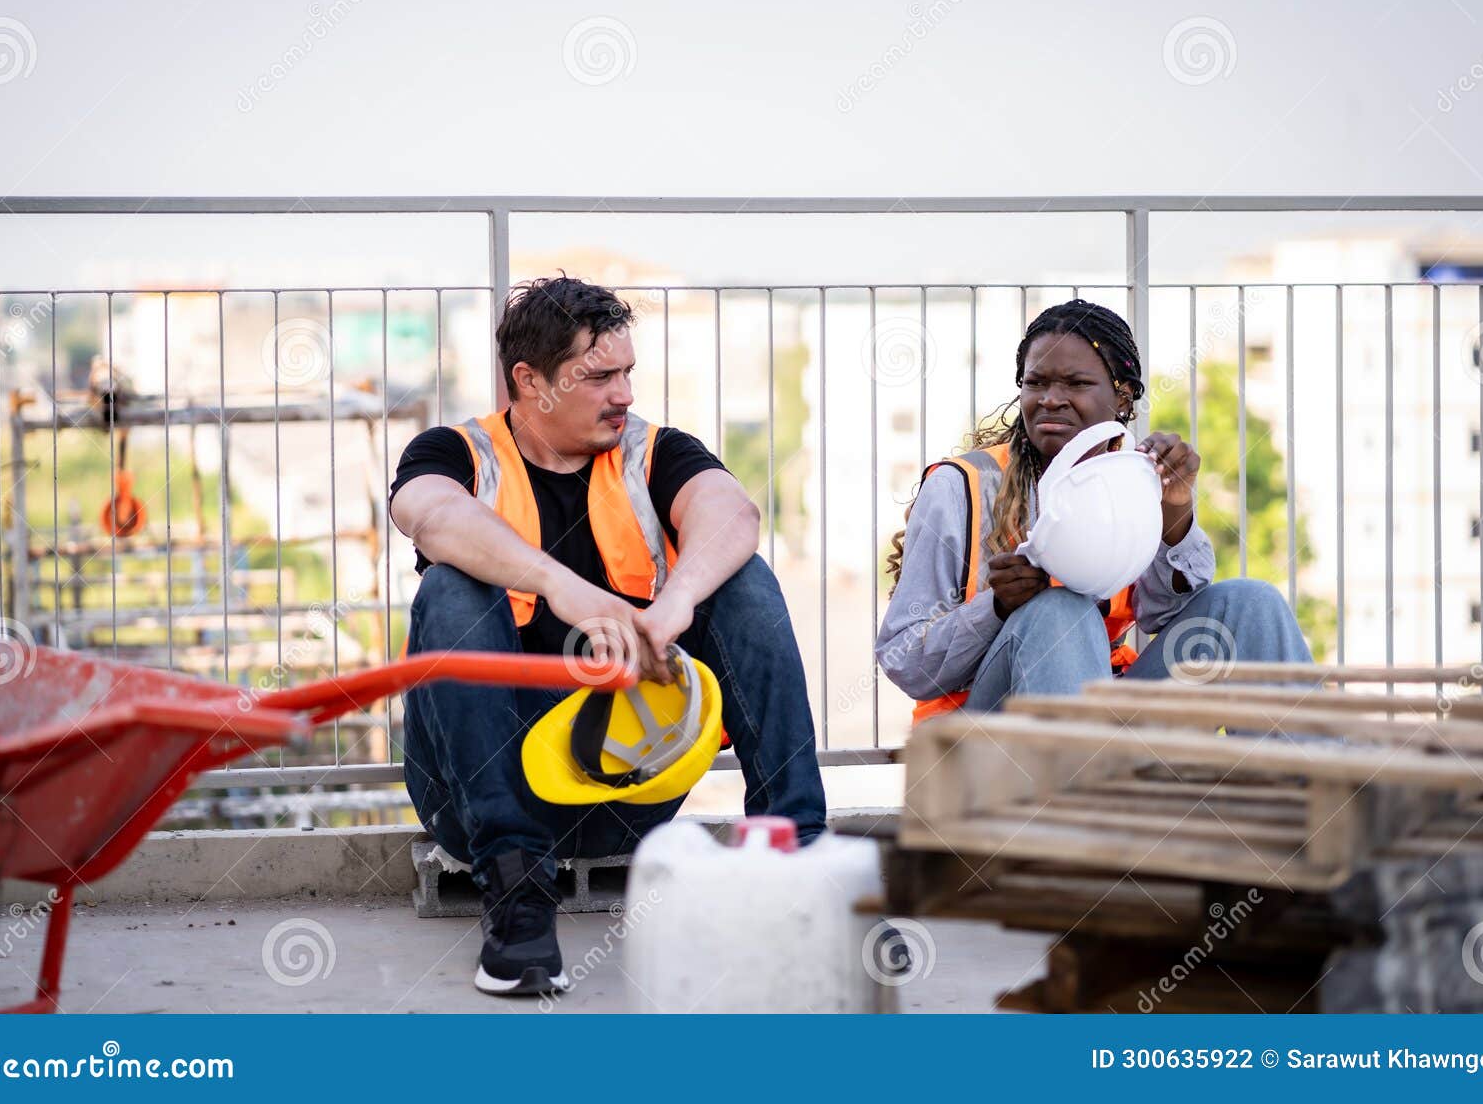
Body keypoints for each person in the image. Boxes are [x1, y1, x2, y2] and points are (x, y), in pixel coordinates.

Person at [390, 275, 826, 996]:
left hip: (626, 796)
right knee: (450, 586)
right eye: (598, 377)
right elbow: (431, 517)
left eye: (626, 373)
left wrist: (676, 601)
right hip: (477, 816)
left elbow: (733, 513)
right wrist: (561, 585)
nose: (624, 394)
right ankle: (520, 904)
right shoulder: (456, 452)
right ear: (530, 381)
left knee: (743, 578)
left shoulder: (652, 452)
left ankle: (801, 869)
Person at [876, 299, 1311, 720]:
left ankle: (1310, 784)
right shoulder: (960, 488)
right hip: (989, 737)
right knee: (1060, 611)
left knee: (1251, 604)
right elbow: (906, 663)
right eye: (1037, 383)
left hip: (1105, 714)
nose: (1050, 399)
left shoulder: (1130, 480)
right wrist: (997, 609)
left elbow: (1167, 617)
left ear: (1122, 398)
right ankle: (1083, 790)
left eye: (1076, 384)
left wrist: (1174, 509)